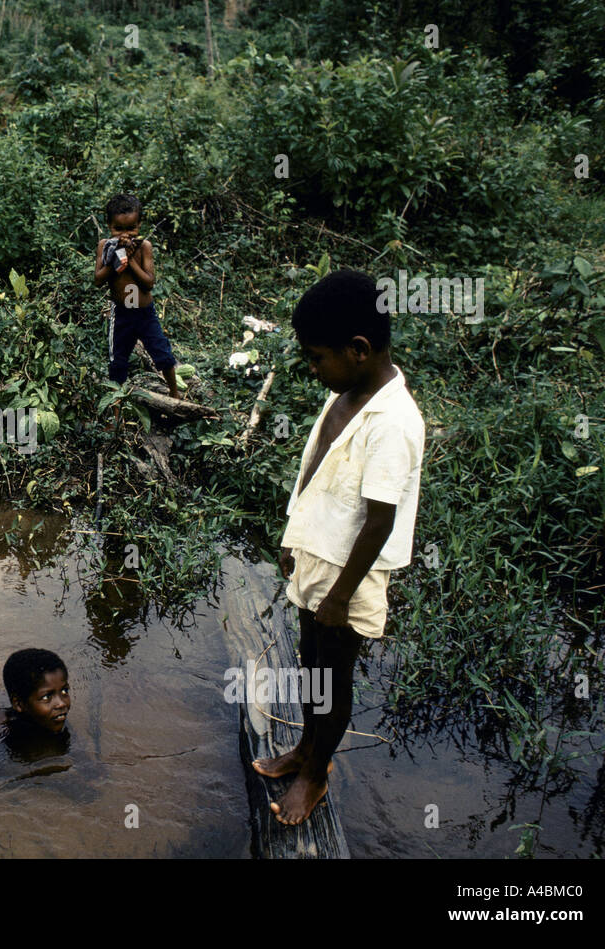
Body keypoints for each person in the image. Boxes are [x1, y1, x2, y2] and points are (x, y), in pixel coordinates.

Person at [252, 269, 424, 825]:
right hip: (317, 557)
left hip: (352, 576)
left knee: (334, 673)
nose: (311, 367)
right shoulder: (347, 393)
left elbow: (378, 521)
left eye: (316, 356)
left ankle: (317, 771)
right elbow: (315, 474)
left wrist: (340, 597)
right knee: (309, 665)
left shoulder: (393, 421)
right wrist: (290, 539)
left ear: (358, 349)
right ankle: (305, 748)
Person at [93, 193, 181, 399]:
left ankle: (175, 395)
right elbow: (98, 280)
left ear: (139, 224)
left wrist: (130, 260)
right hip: (122, 313)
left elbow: (149, 283)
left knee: (163, 354)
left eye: (131, 228)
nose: (125, 234)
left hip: (144, 313)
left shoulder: (144, 247)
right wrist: (116, 258)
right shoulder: (105, 246)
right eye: (118, 229)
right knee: (118, 362)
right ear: (109, 225)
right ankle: (115, 406)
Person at [0, 648, 72, 760]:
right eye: (46, 697)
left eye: (64, 691)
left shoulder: (54, 719)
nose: (61, 703)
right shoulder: (10, 741)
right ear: (18, 703)